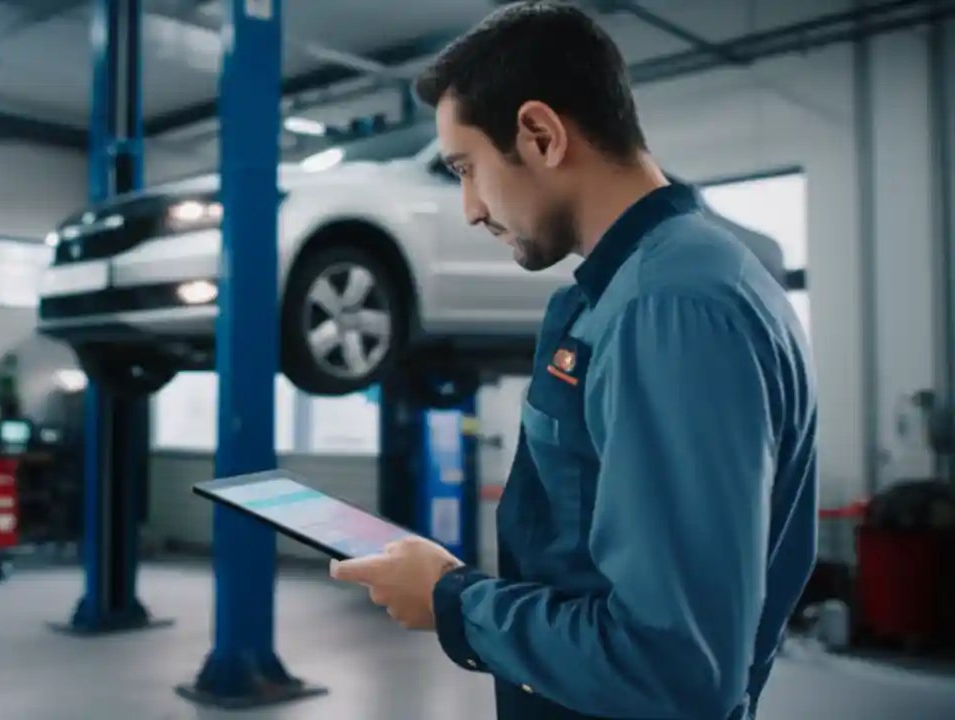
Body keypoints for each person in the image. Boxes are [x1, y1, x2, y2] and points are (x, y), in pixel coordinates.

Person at [329, 3, 818, 719]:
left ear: (540, 134)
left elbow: (674, 668)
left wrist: (454, 602)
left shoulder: (671, 306)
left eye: (467, 169)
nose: (469, 207)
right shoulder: (622, 292)